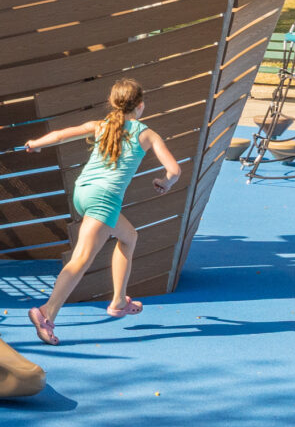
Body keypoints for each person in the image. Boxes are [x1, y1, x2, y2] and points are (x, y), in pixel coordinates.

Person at [19, 79, 181, 345]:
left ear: (114, 102)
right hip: (104, 199)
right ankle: (46, 312)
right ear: (140, 106)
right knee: (81, 259)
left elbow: (60, 135)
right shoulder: (147, 134)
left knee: (129, 237)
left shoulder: (101, 125)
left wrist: (36, 143)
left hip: (83, 193)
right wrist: (165, 183)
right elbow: (174, 170)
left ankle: (118, 301)